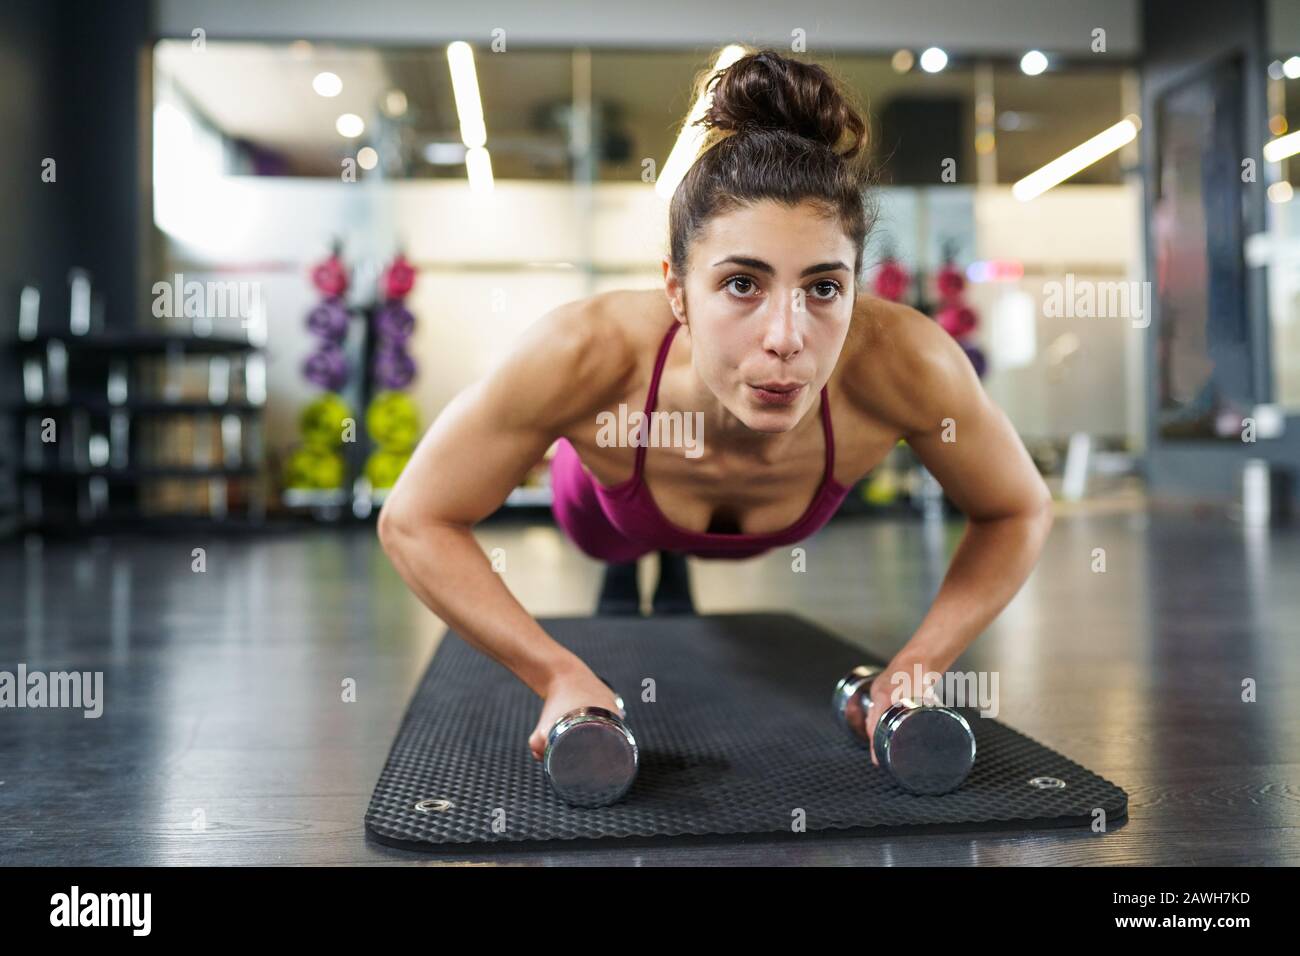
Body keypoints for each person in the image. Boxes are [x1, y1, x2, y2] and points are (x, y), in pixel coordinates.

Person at [378, 48, 1053, 765]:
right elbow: (415, 519)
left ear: (858, 284)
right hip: (612, 507)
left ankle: (669, 559)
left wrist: (917, 665)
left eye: (824, 288)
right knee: (618, 543)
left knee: (662, 555)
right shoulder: (586, 352)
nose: (787, 338)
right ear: (676, 290)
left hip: (765, 521)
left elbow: (1018, 508)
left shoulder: (906, 362)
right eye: (741, 285)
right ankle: (646, 553)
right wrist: (558, 672)